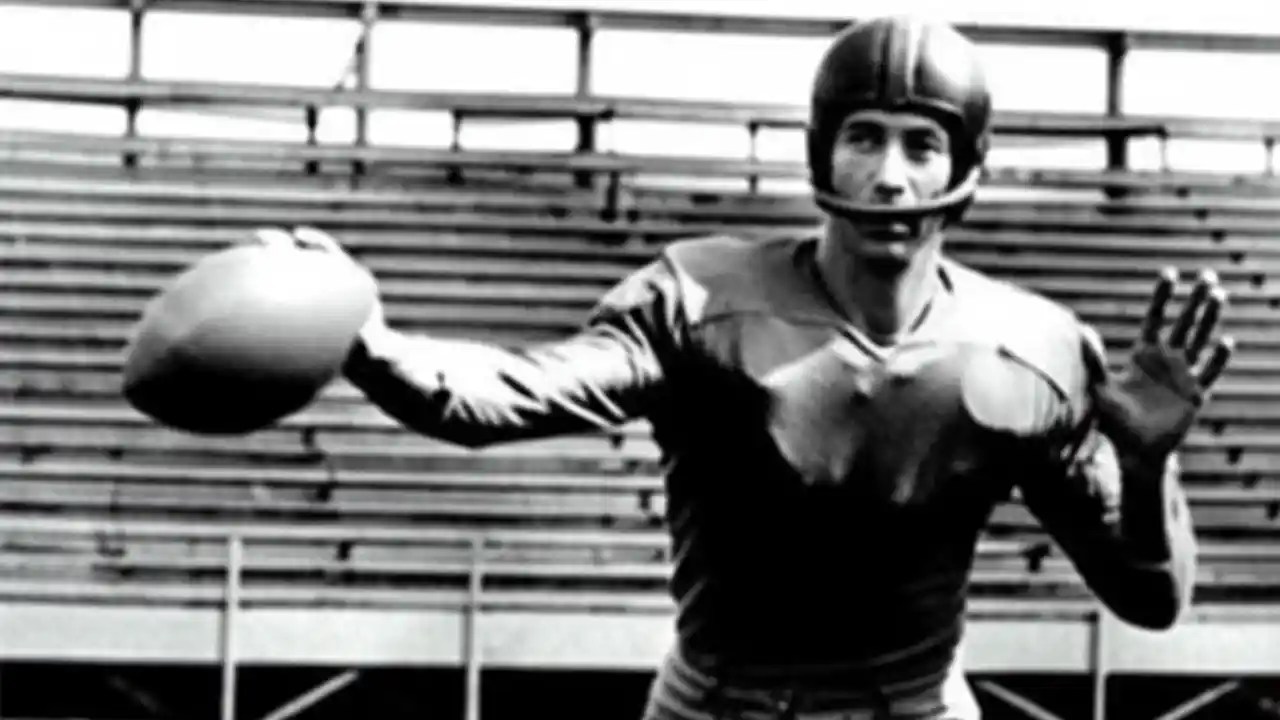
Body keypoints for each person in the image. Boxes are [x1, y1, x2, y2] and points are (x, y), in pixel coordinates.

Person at [257, 14, 1233, 720]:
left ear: (961, 168)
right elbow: (499, 398)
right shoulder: (698, 299)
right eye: (863, 138)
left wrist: (1147, 470)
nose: (889, 174)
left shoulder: (1031, 347)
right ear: (821, 152)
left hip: (912, 706)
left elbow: (1148, 600)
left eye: (919, 144)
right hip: (712, 702)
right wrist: (371, 341)